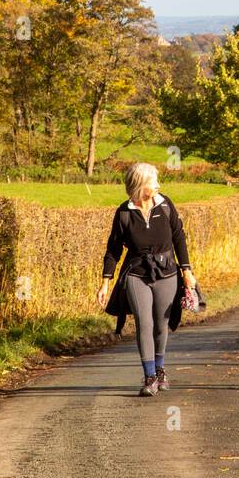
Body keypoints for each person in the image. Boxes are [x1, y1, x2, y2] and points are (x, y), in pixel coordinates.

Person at [97, 162, 197, 397]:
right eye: (153, 181)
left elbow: (179, 238)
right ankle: (149, 376)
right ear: (141, 185)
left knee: (161, 325)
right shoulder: (124, 213)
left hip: (167, 272)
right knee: (144, 322)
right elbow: (113, 249)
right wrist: (105, 282)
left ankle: (160, 369)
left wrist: (187, 270)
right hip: (136, 274)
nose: (158, 185)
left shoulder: (166, 205)